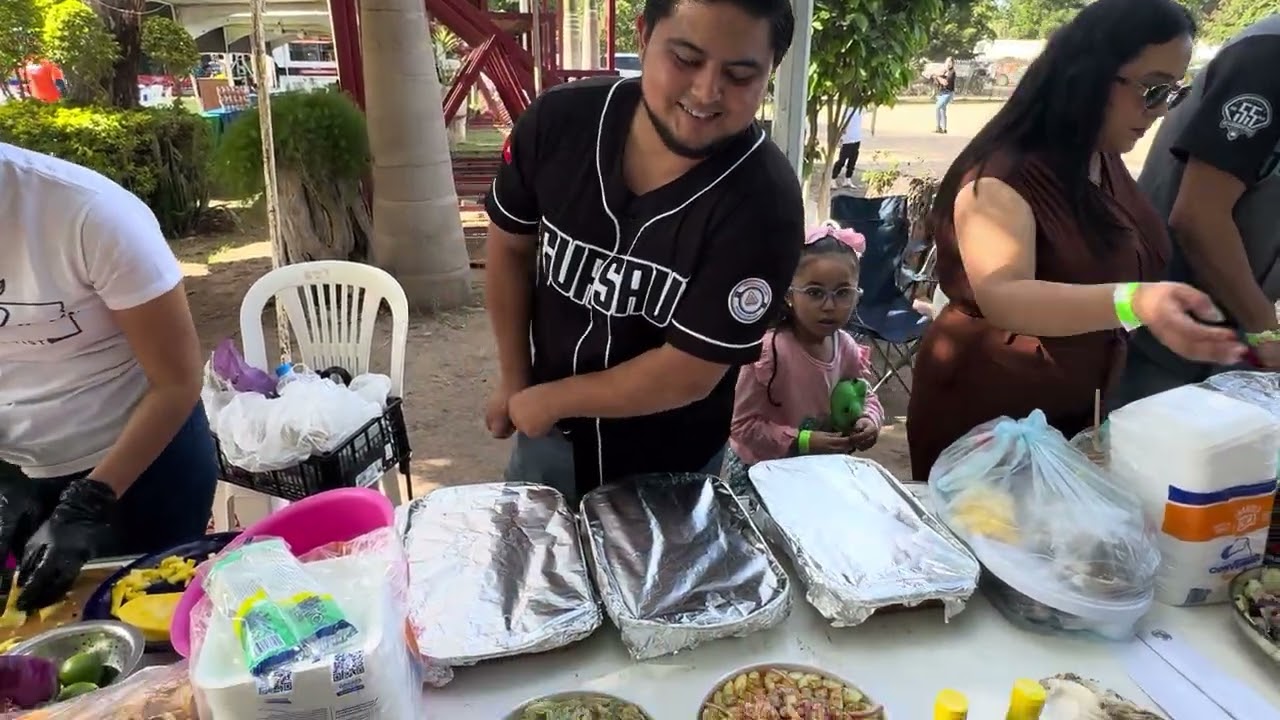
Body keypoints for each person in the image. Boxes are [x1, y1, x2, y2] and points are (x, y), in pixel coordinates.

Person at [905, 0, 1246, 482]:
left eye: (1174, 93)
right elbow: (1004, 294)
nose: (1160, 110)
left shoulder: (1097, 159)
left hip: (1067, 418)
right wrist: (1136, 302)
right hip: (990, 426)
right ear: (1089, 74)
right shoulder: (1003, 174)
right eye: (1152, 90)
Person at [483, 0, 804, 502]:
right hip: (549, 442)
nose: (706, 92)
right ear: (643, 36)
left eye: (740, 75)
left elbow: (691, 371)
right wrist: (513, 377)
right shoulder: (559, 122)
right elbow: (510, 249)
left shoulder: (766, 204)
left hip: (670, 466)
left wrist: (550, 399)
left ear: (771, 71)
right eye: (686, 59)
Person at [0, 143, 216, 611]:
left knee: (156, 634)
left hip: (143, 467)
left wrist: (89, 503)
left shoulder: (90, 215)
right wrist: (7, 480)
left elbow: (177, 382)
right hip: (19, 470)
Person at [1111, 14, 1280, 408]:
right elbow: (1198, 218)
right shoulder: (1268, 57)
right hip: (1171, 338)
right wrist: (1265, 332)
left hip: (1231, 331)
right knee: (1155, 456)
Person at [725, 223, 884, 497]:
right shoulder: (769, 353)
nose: (829, 305)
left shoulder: (846, 347)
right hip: (763, 477)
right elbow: (741, 425)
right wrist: (804, 441)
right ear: (789, 296)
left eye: (843, 292)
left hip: (815, 474)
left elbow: (864, 395)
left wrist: (870, 421)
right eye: (814, 292)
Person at [831, 107, 863, 187]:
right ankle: (833, 178)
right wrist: (840, 139)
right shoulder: (845, 110)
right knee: (842, 161)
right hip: (847, 139)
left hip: (856, 138)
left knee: (852, 161)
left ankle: (847, 179)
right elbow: (841, 125)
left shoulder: (859, 109)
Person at [934, 58, 956, 134]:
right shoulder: (944, 72)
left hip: (947, 93)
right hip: (941, 93)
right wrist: (936, 77)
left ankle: (938, 127)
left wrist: (937, 77)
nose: (948, 63)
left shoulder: (952, 72)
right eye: (947, 62)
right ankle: (944, 128)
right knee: (942, 110)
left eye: (950, 62)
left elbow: (945, 83)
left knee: (938, 107)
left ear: (953, 64)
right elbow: (937, 82)